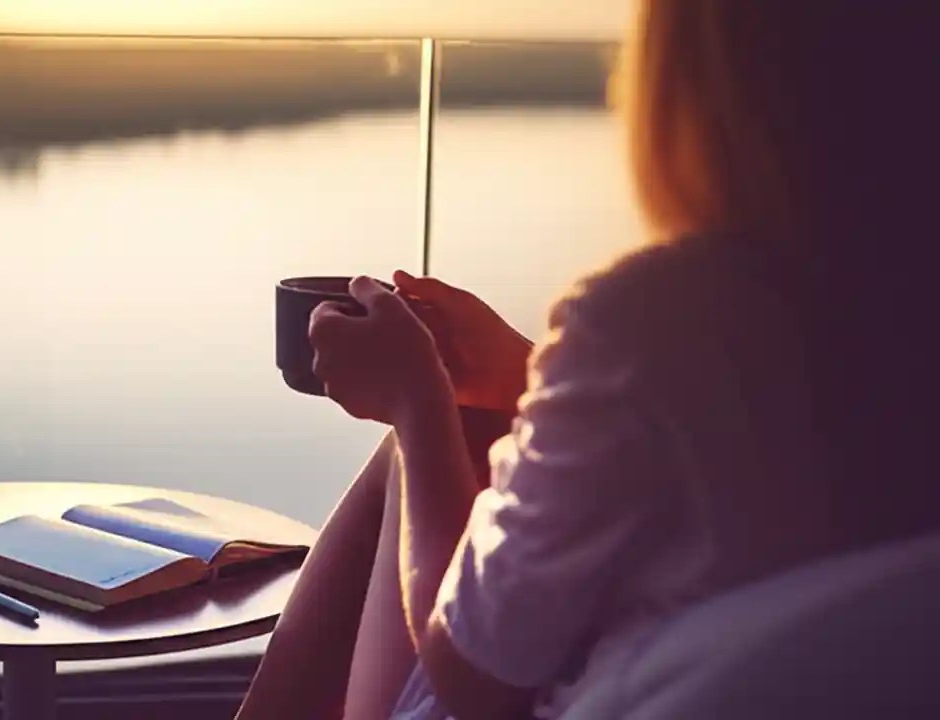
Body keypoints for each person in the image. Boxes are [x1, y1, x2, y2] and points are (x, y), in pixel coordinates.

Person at [236, 2, 938, 719]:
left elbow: (472, 679)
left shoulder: (662, 312)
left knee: (415, 449)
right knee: (476, 424)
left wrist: (417, 405)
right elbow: (765, 442)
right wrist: (532, 377)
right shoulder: (900, 294)